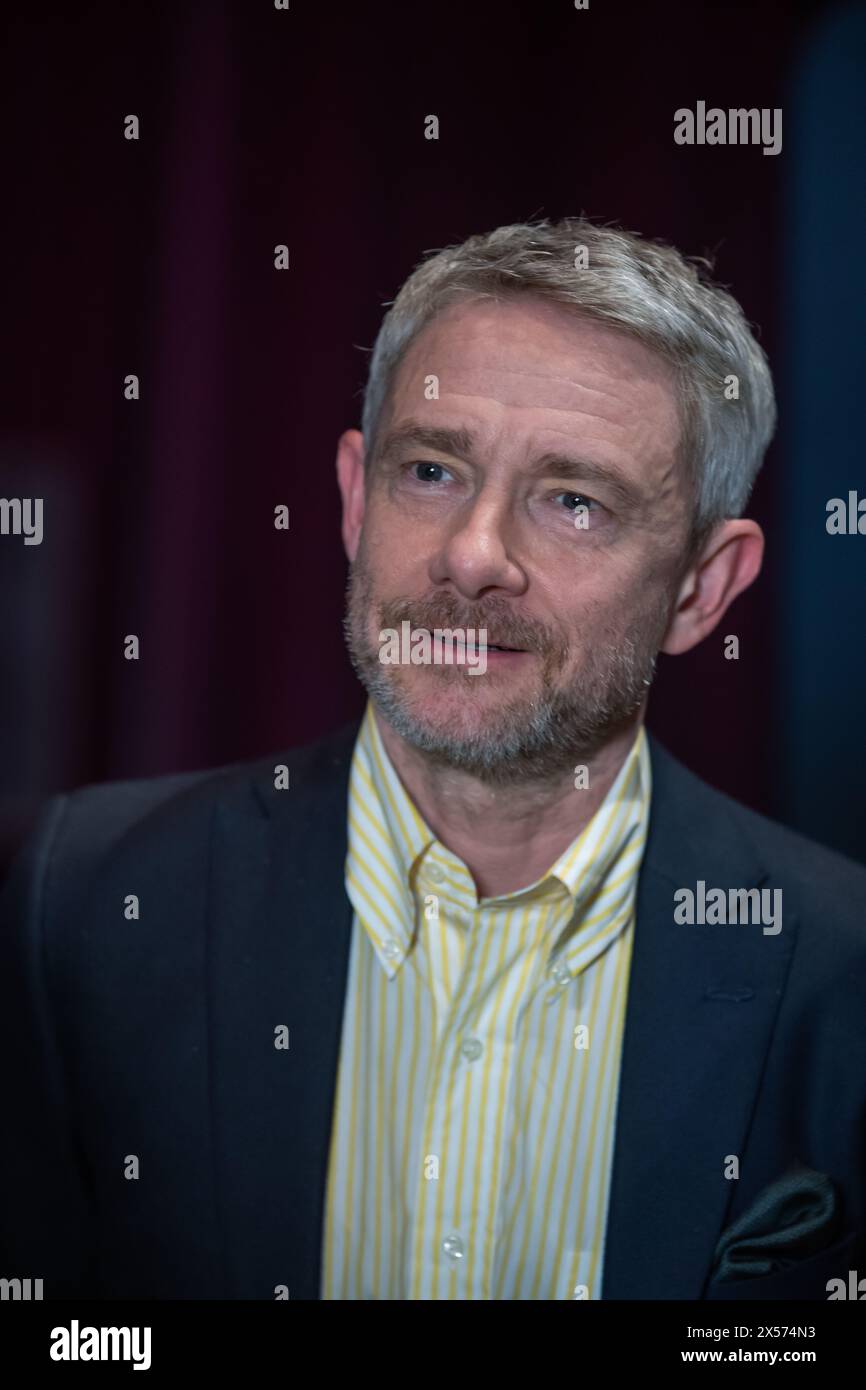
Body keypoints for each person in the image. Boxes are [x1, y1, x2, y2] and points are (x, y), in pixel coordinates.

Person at [1, 219, 864, 1301]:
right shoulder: (86, 900)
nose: (470, 554)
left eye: (573, 501)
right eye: (430, 469)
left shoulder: (841, 978)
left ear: (700, 590)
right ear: (357, 498)